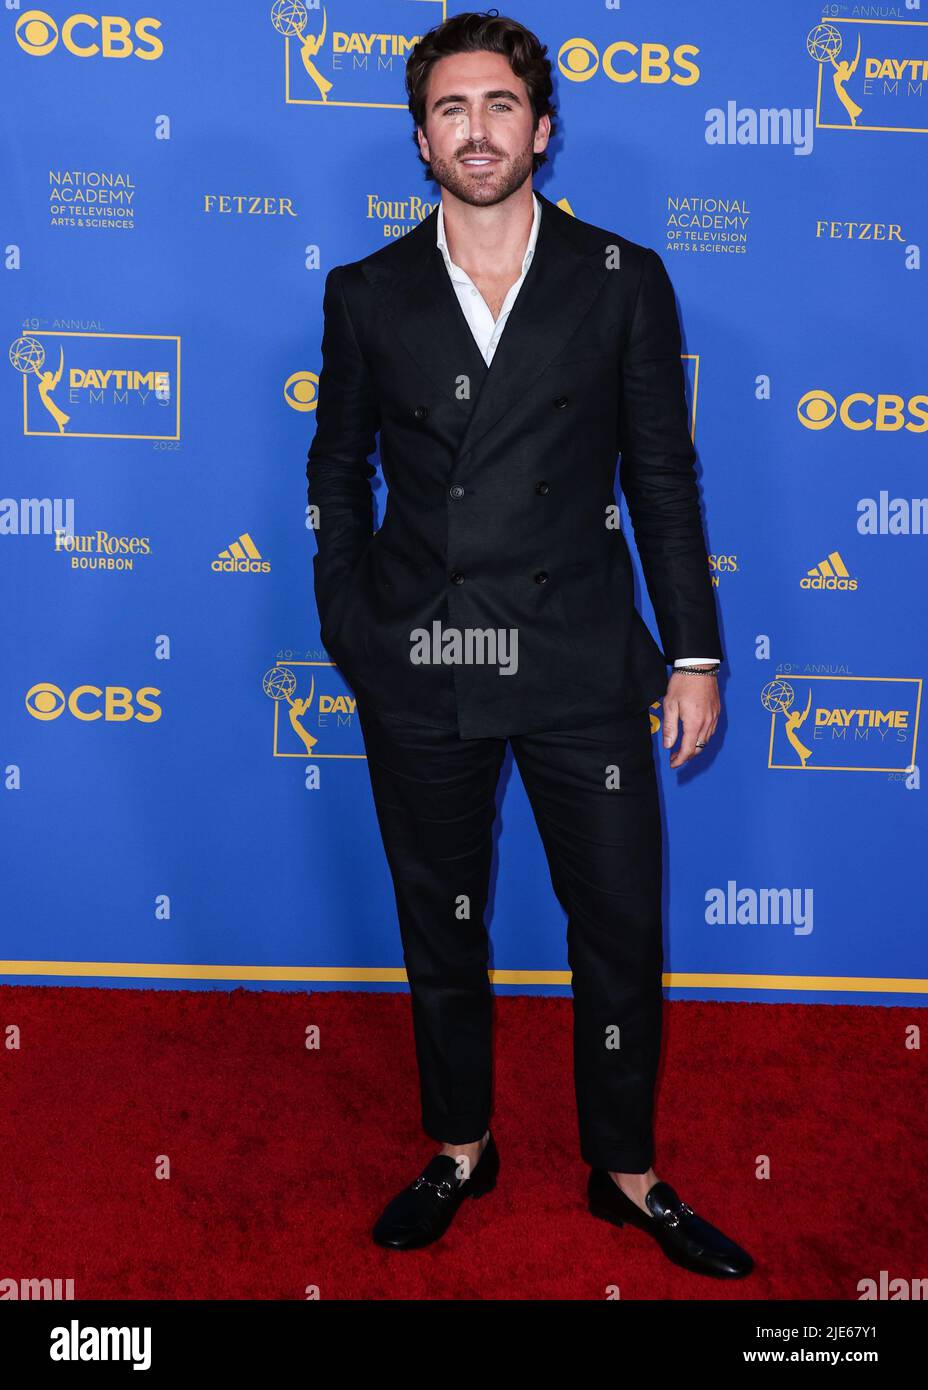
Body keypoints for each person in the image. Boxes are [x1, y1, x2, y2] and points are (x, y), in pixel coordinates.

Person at [306, 11, 753, 1279]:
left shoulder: (622, 278)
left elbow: (662, 477)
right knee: (439, 923)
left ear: (541, 128)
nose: (478, 129)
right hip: (423, 657)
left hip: (573, 657)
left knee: (615, 922)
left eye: (500, 105)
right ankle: (460, 1145)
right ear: (420, 139)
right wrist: (349, 624)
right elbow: (335, 473)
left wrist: (695, 654)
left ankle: (626, 1172)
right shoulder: (365, 293)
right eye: (451, 110)